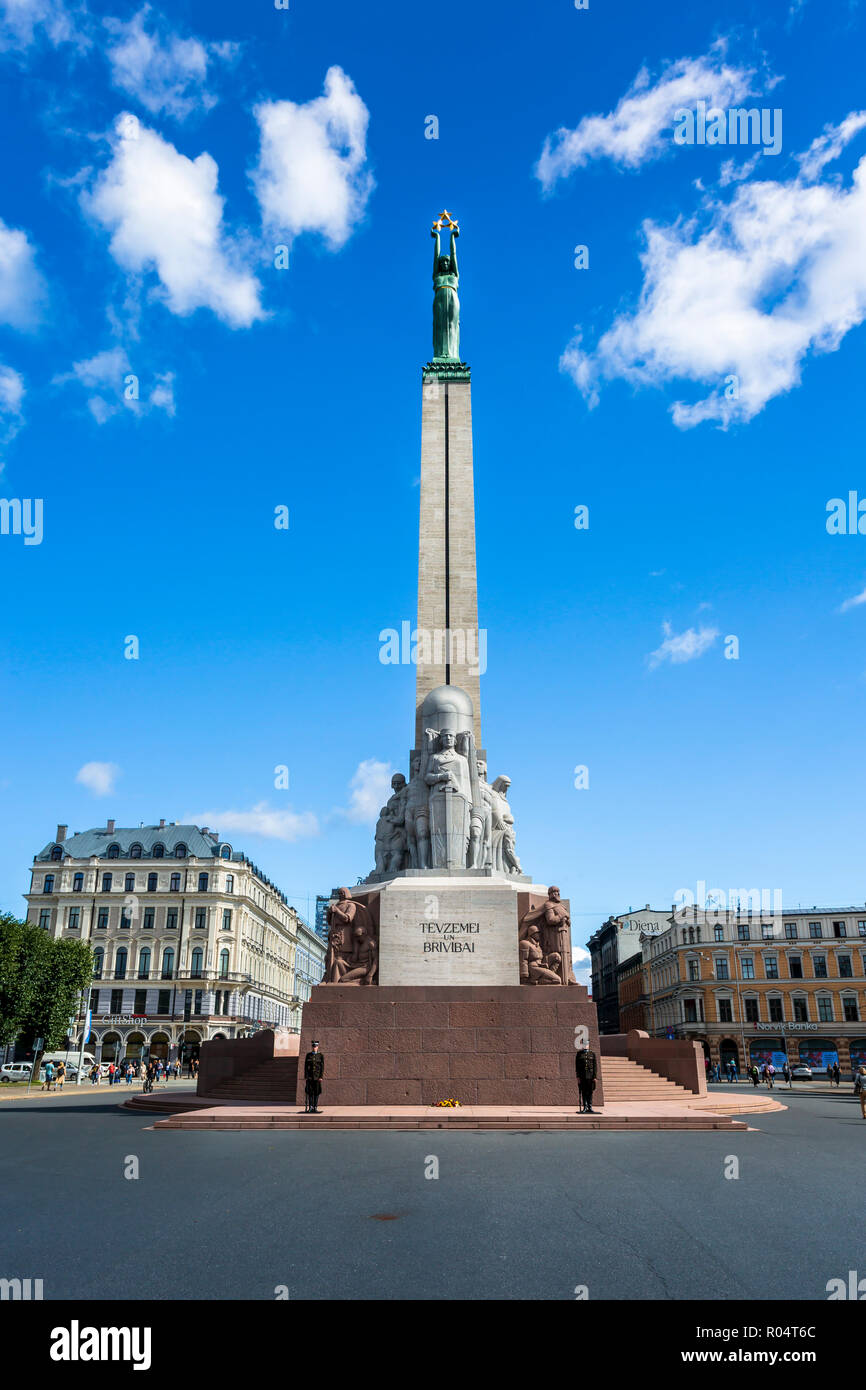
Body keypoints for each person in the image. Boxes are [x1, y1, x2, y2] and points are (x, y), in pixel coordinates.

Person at [304, 1040, 325, 1114]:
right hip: (310, 1077)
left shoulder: (320, 1055)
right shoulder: (308, 1055)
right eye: (313, 1046)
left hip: (317, 1078)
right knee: (310, 1092)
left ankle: (315, 1107)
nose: (314, 1048)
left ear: (317, 1047)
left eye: (315, 1046)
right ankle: (310, 1107)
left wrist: (321, 1076)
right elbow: (306, 1067)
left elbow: (322, 1067)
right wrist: (306, 1076)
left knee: (316, 1092)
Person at [575, 1046, 598, 1114]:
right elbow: (577, 1066)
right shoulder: (579, 1054)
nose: (585, 1045)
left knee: (590, 1091)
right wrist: (578, 1076)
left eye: (587, 1044)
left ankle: (589, 1107)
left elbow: (595, 1066)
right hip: (582, 1076)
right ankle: (585, 1107)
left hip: (590, 1076)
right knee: (584, 1091)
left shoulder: (592, 1054)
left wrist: (595, 1077)